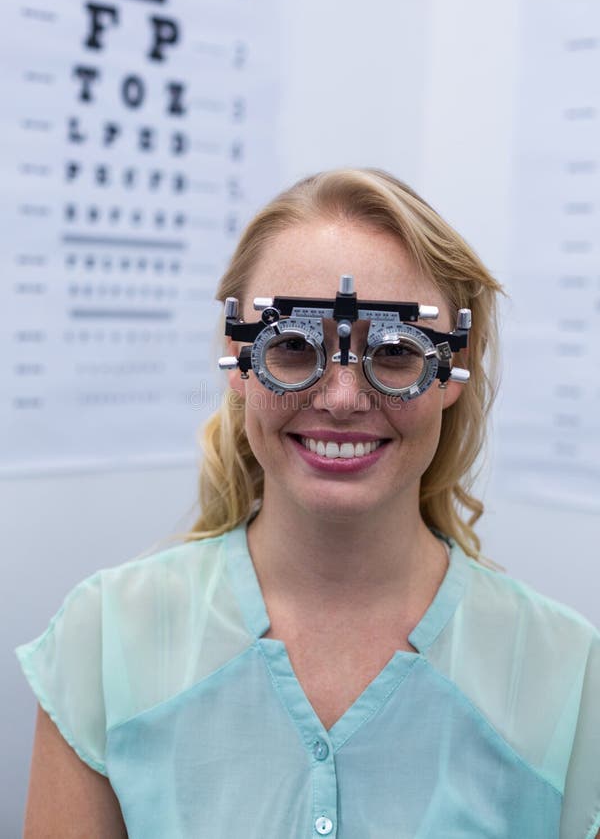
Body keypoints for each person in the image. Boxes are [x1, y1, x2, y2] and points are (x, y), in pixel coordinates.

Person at [18, 168, 599, 838]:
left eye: (397, 352)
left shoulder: (570, 680)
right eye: (293, 347)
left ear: (450, 374)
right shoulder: (102, 642)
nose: (343, 399)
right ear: (240, 361)